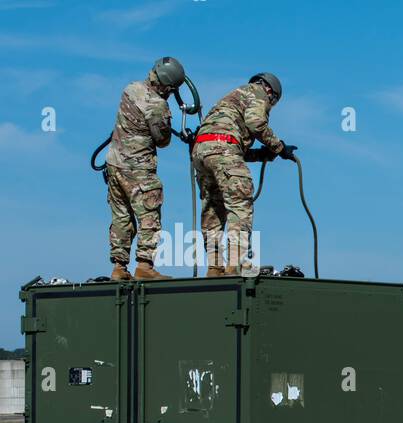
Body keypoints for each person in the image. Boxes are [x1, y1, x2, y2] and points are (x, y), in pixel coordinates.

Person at [191, 72, 295, 276]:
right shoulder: (257, 93)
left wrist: (262, 154)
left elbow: (230, 148)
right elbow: (255, 123)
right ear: (270, 92)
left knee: (213, 209)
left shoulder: (230, 99)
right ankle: (235, 265)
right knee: (239, 204)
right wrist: (279, 147)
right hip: (224, 149)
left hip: (202, 150)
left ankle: (214, 266)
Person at [105, 57, 188, 281]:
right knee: (149, 214)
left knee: (121, 217)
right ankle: (144, 266)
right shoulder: (157, 104)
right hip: (138, 169)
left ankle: (119, 268)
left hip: (114, 165)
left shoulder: (131, 88)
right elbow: (162, 139)